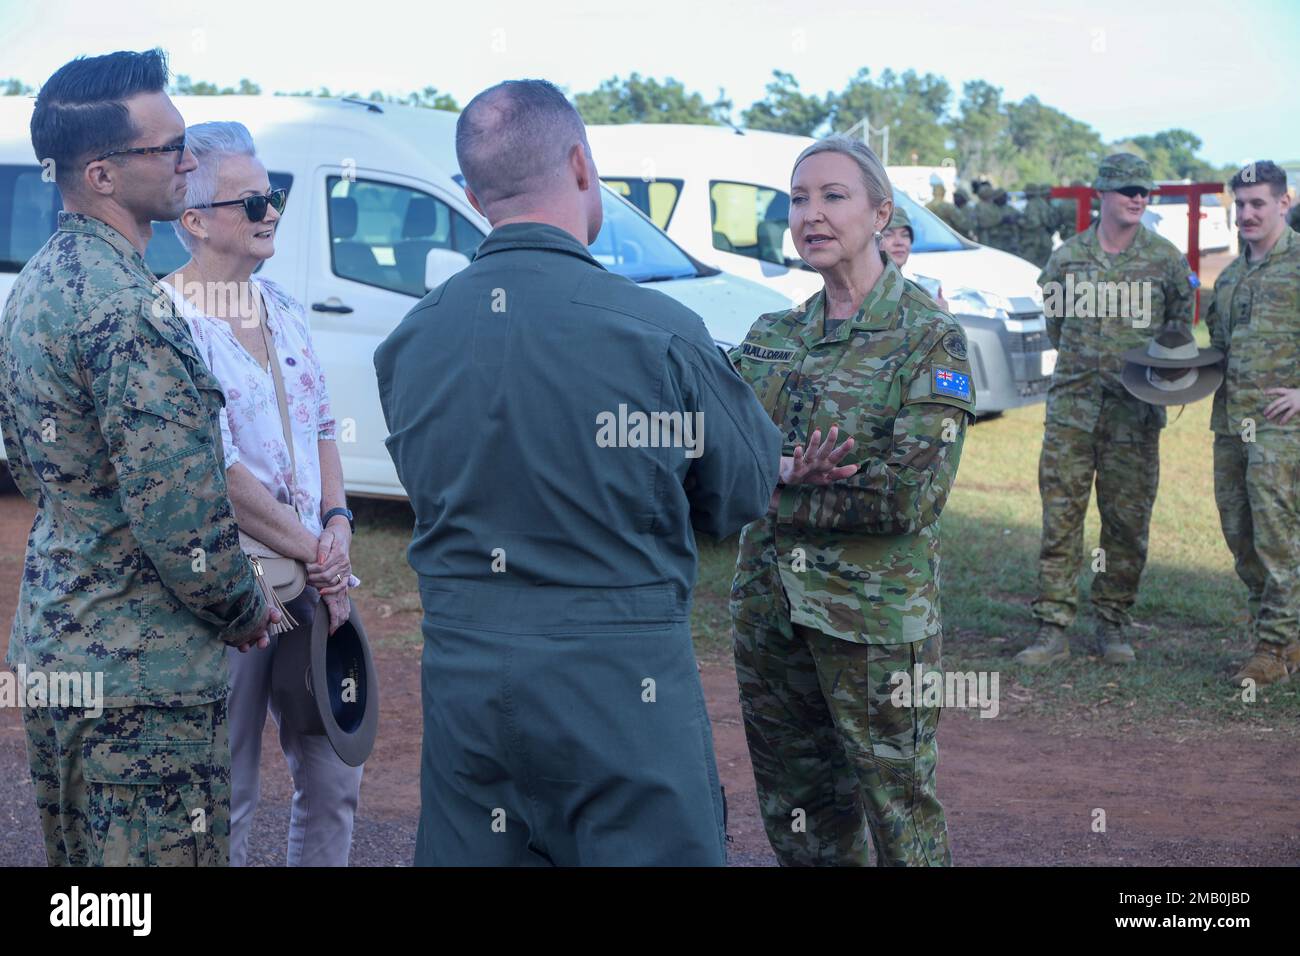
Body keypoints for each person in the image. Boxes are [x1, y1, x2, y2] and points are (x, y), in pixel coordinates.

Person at [375, 80, 849, 867]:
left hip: (466, 679)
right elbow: (734, 495)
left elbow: (429, 486)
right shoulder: (660, 331)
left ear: (471, 192)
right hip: (620, 682)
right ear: (581, 165)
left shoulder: (412, 338)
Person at [0, 49, 275, 866]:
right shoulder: (129, 308)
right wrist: (244, 606)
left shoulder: (42, 281)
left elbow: (31, 464)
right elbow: (180, 510)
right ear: (102, 174)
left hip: (63, 650)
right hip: (140, 680)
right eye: (169, 148)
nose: (189, 161)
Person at [729, 135, 976, 867]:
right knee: (798, 811)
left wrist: (772, 484)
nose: (812, 214)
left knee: (898, 812)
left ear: (880, 214)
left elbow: (909, 498)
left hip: (873, 626)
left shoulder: (929, 339)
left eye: (833, 196)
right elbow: (713, 462)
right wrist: (784, 472)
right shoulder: (772, 336)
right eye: (799, 199)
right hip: (771, 616)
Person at [160, 121, 364, 866]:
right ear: (195, 221)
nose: (271, 212)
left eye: (271, 196)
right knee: (228, 787)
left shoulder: (281, 306)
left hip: (313, 573)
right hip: (231, 588)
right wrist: (320, 553)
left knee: (336, 771)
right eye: (252, 203)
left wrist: (337, 522)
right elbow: (217, 472)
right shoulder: (169, 322)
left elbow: (319, 426)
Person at [1017, 153, 1196, 667]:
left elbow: (1178, 332)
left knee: (1126, 524)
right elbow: (1056, 326)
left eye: (1144, 191)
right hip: (1072, 412)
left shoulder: (1164, 260)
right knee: (1061, 520)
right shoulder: (1067, 259)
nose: (1139, 198)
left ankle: (1114, 624)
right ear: (1103, 194)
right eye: (1127, 190)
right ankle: (1052, 627)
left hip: (1134, 418)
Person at [1205, 161, 1300, 687]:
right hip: (1230, 428)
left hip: (1281, 433)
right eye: (1239, 204)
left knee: (1279, 540)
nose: (1246, 213)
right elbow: (1220, 349)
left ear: (1284, 203)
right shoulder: (1231, 277)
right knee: (1240, 538)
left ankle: (1269, 651)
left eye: (1257, 203)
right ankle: (1287, 636)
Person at [1019, 184, 1056, 267]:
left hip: (1034, 241)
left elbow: (1034, 223)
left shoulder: (1032, 204)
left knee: (1029, 265)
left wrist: (1020, 222)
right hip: (1046, 239)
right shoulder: (1044, 203)